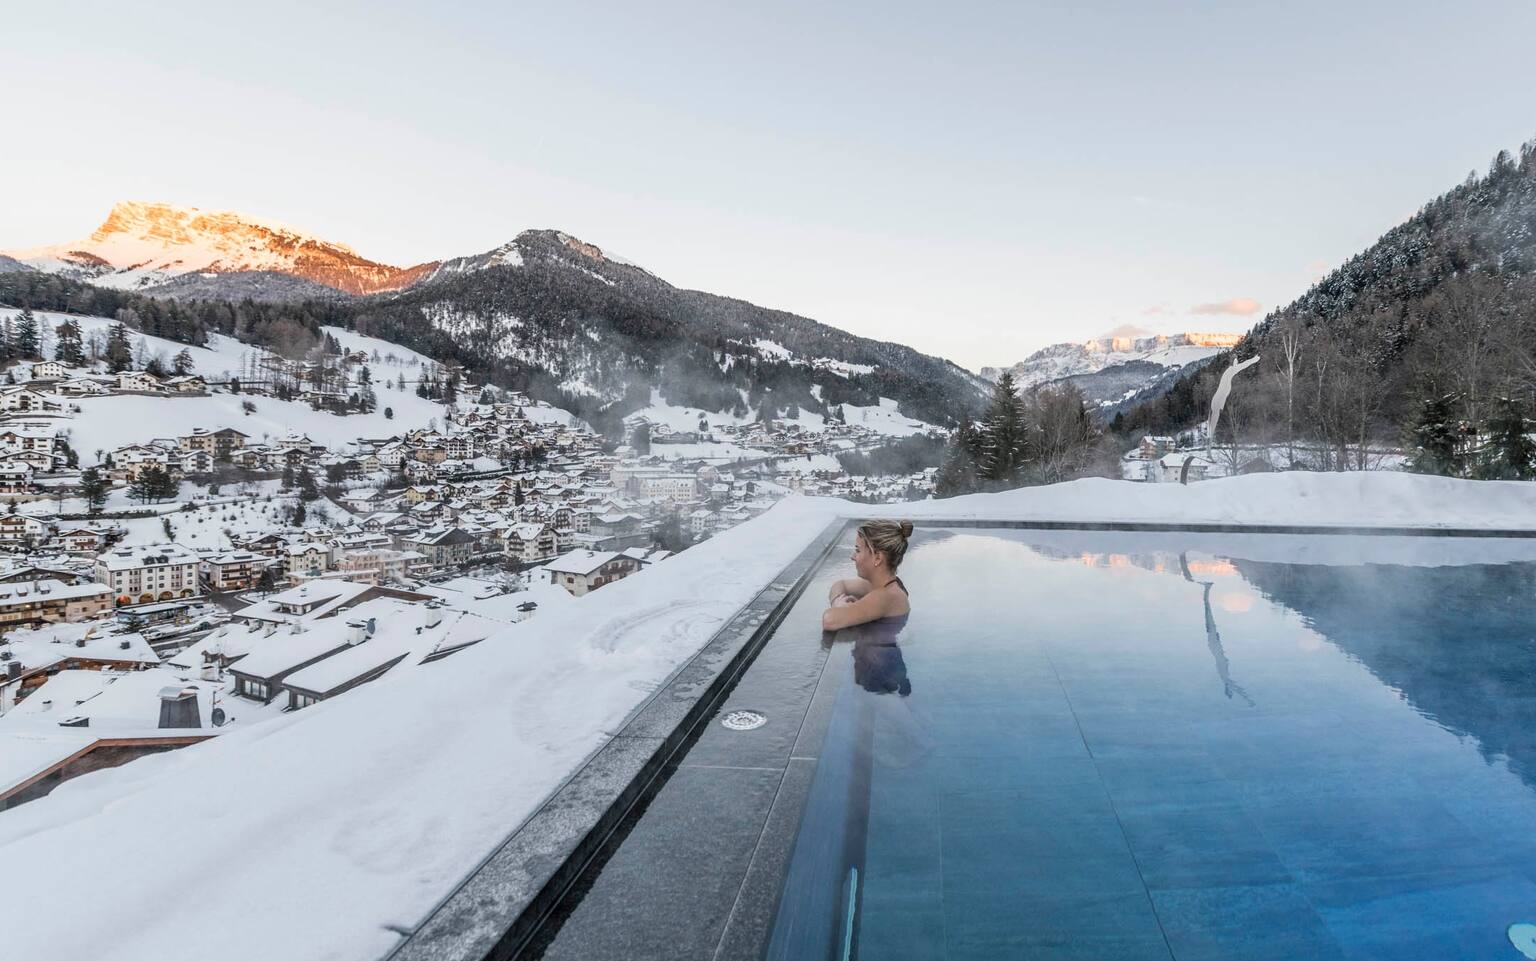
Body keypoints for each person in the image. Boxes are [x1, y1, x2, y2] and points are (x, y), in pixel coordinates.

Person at [822, 519, 912, 633]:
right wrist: (838, 602)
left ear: (878, 558)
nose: (853, 557)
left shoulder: (887, 596)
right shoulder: (881, 586)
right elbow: (840, 584)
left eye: (858, 550)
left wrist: (841, 608)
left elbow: (829, 620)